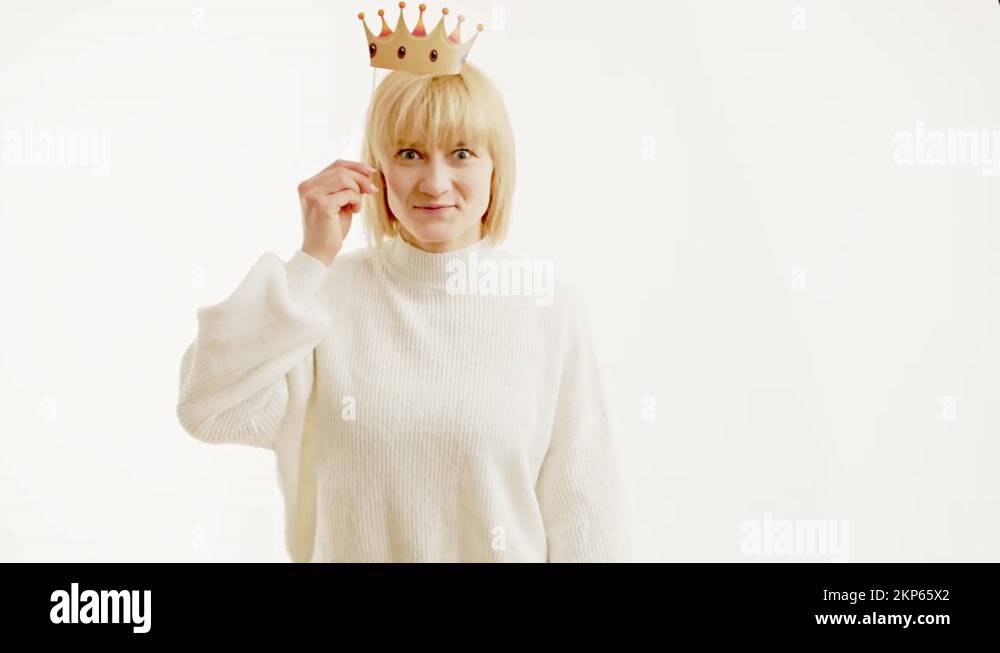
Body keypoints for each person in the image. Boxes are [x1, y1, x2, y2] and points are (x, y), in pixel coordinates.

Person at [176, 62, 630, 562]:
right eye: (409, 153)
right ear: (377, 169)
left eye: (461, 153)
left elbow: (587, 517)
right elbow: (207, 407)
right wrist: (310, 261)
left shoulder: (549, 310)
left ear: (495, 167)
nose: (435, 183)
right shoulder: (323, 299)